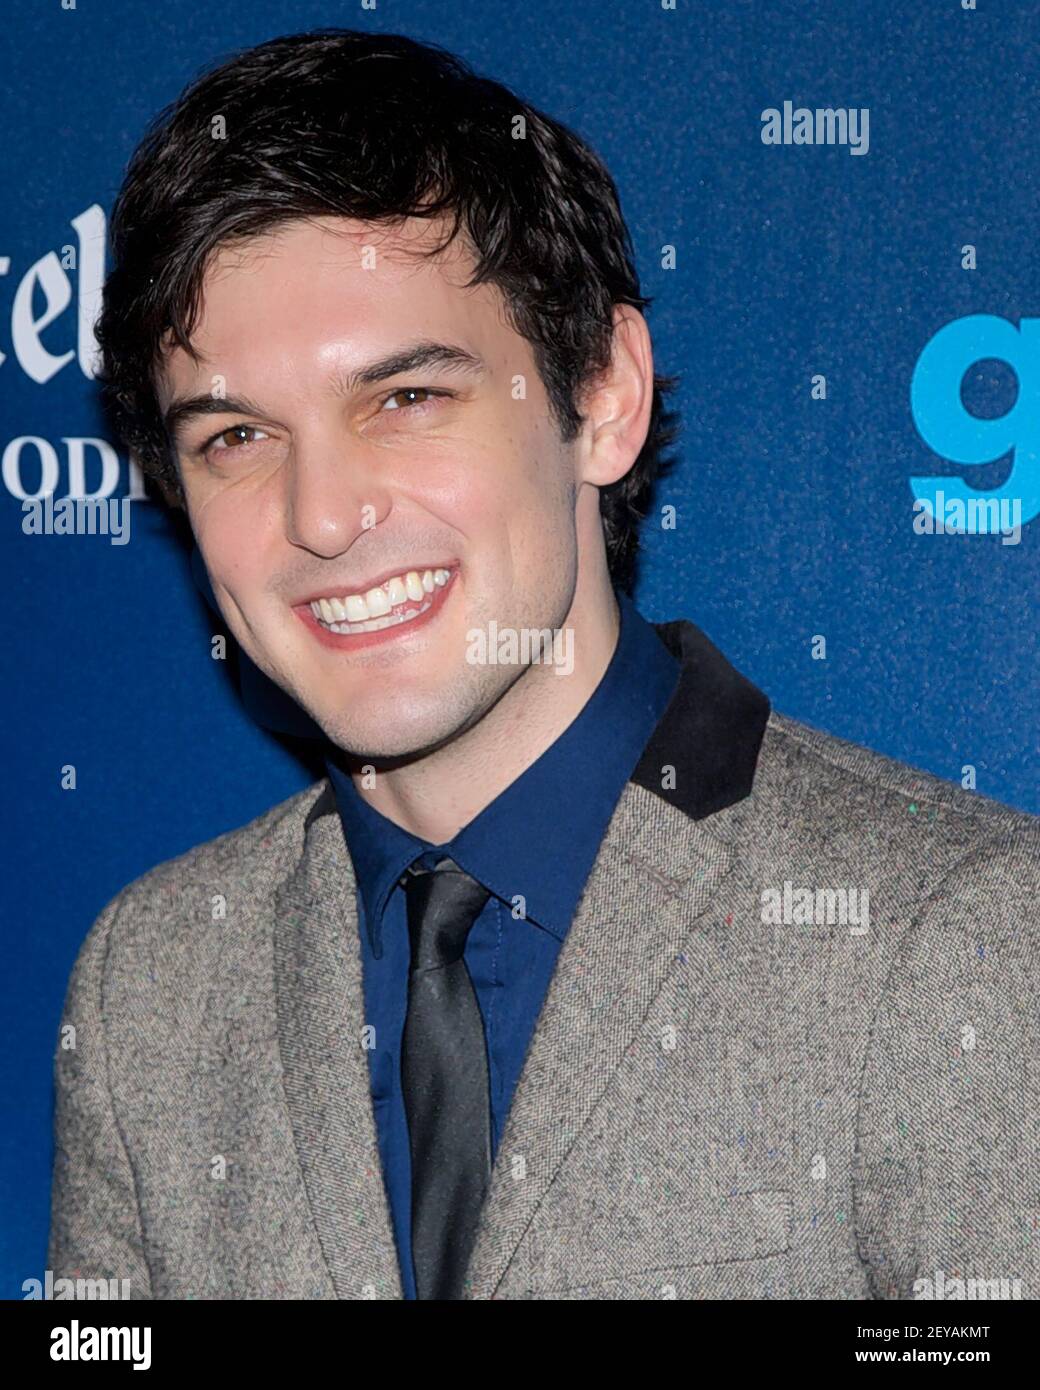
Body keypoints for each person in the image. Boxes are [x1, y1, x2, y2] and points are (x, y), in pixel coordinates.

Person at [48, 28, 1039, 1301]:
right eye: (237, 433)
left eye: (405, 399)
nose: (321, 513)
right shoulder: (151, 982)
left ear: (602, 396)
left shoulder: (958, 938)